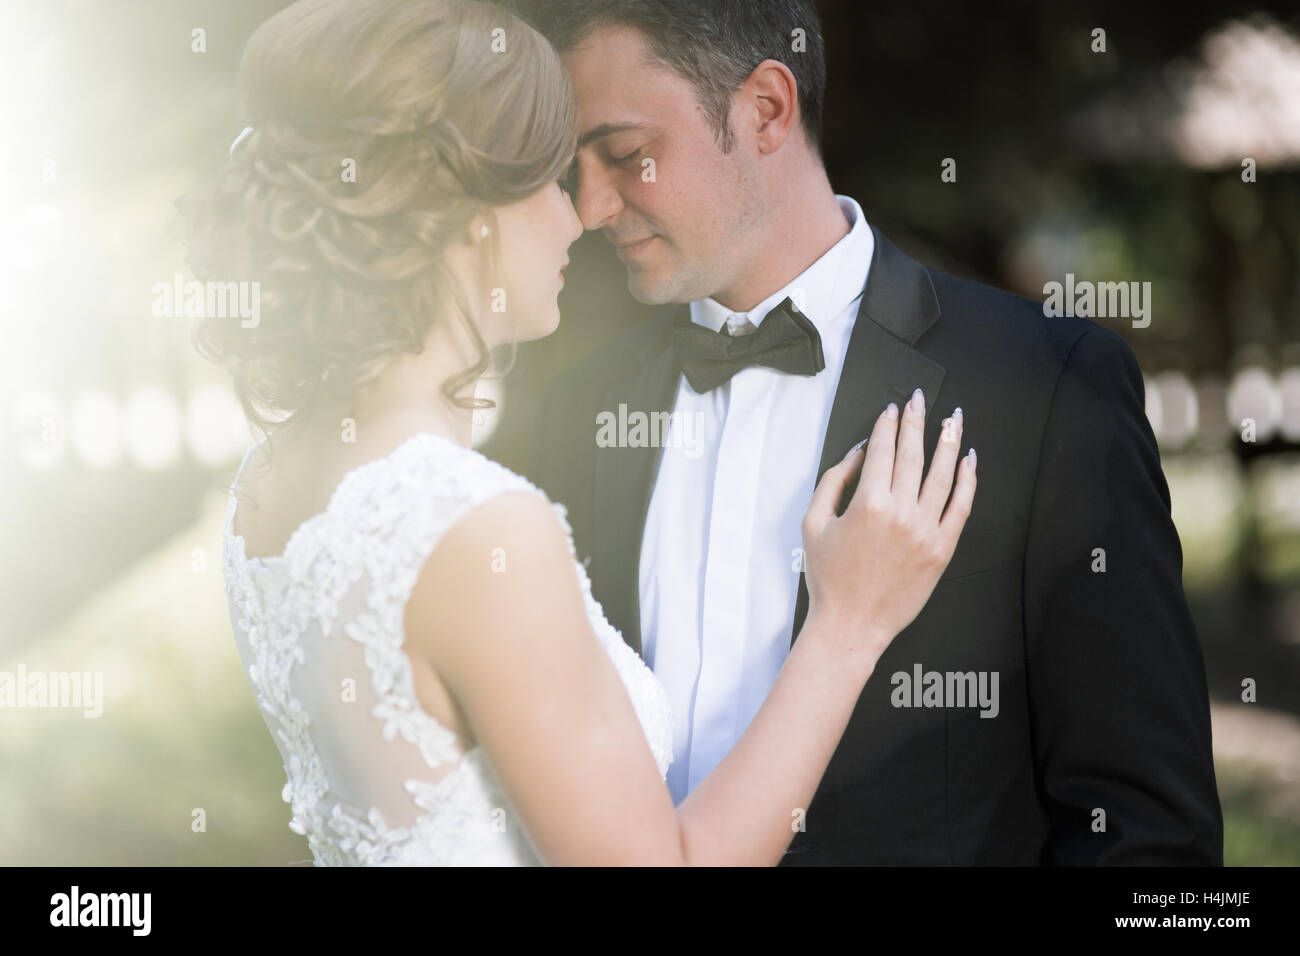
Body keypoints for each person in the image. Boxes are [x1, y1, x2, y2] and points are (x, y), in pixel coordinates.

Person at [183, 0, 976, 865]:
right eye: (551, 181)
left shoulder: (266, 484)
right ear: (465, 212)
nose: (581, 216)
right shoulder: (476, 527)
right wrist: (846, 627)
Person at [516, 0, 1224, 864]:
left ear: (768, 109)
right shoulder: (575, 407)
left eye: (626, 155)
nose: (590, 207)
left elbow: (1149, 832)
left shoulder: (1045, 390)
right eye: (573, 168)